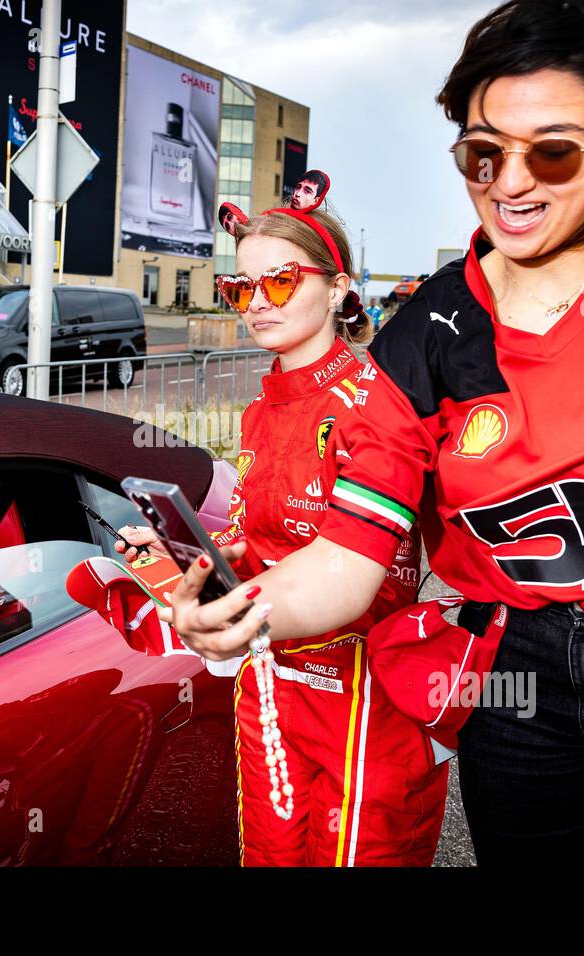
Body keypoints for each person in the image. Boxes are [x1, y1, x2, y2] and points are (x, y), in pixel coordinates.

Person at [156, 0, 584, 867]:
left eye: (552, 149)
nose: (510, 182)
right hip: (519, 672)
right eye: (483, 152)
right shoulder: (429, 330)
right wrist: (247, 614)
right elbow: (347, 558)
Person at [101, 191, 449, 866]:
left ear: (339, 284)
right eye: (239, 286)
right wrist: (191, 561)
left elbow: (361, 572)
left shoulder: (377, 401)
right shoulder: (264, 406)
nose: (258, 300)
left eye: (281, 279)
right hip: (268, 686)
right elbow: (256, 539)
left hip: (364, 698)